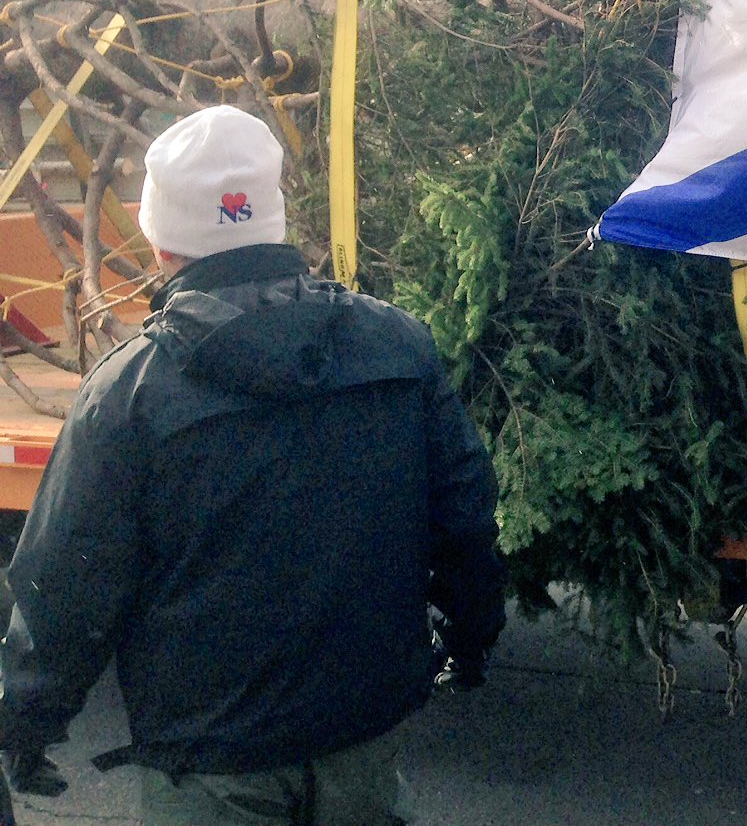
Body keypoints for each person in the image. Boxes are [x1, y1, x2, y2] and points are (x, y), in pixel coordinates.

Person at [0, 105, 505, 824]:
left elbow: (69, 587)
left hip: (211, 761)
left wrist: (26, 723)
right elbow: (463, 518)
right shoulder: (395, 346)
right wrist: (471, 635)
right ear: (276, 224)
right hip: (360, 735)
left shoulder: (129, 394)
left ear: (163, 245)